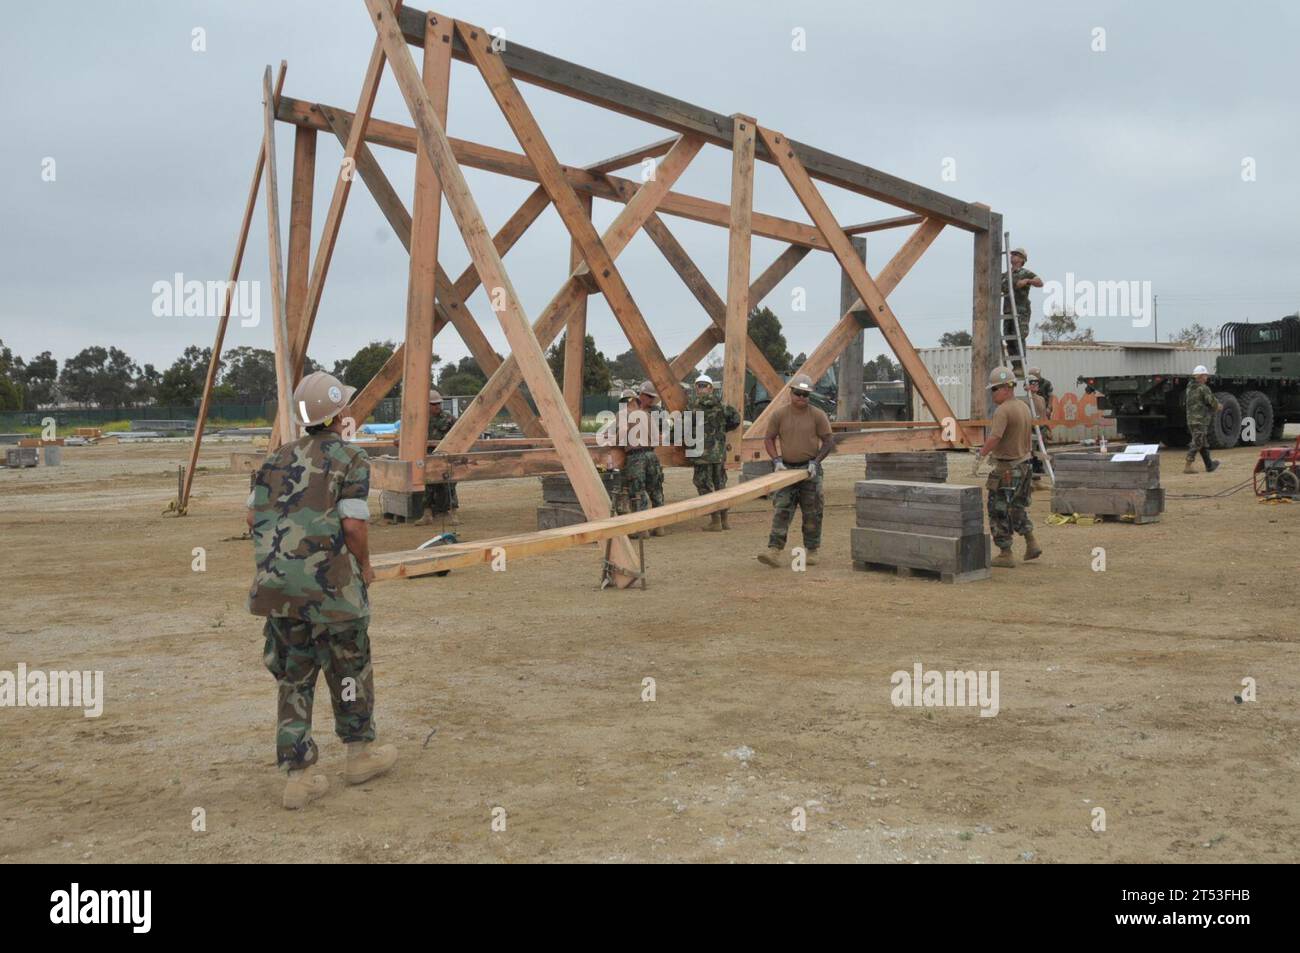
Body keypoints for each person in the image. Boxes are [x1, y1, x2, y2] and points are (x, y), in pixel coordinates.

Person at [247, 371, 397, 810]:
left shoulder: (274, 459)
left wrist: (278, 566)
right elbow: (353, 524)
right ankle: (358, 755)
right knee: (349, 669)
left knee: (294, 677)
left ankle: (299, 776)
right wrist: (365, 567)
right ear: (339, 412)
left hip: (279, 591)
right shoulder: (351, 460)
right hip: (332, 590)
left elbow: (253, 519)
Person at [758, 374, 834, 567]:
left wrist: (815, 462)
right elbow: (769, 439)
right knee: (782, 510)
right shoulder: (779, 415)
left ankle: (812, 550)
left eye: (805, 395)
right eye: (798, 393)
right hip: (786, 470)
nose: (801, 398)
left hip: (810, 471)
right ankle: (774, 551)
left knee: (813, 512)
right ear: (791, 393)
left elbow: (828, 440)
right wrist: (776, 460)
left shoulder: (817, 415)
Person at [975, 366, 1041, 567]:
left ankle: (1005, 552)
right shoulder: (1023, 407)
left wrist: (981, 454)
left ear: (1005, 388)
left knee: (998, 509)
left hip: (1007, 469)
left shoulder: (1003, 411)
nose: (992, 394)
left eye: (994, 389)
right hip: (1024, 466)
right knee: (1018, 508)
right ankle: (1031, 543)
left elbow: (995, 437)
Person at [687, 376, 742, 531]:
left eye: (703, 385)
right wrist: (722, 430)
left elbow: (683, 428)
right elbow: (736, 420)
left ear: (710, 388)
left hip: (701, 455)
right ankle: (725, 520)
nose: (701, 388)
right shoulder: (722, 406)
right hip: (718, 454)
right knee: (720, 485)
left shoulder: (692, 407)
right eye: (699, 385)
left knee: (704, 486)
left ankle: (715, 520)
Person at [624, 381, 666, 537]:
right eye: (649, 398)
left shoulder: (625, 415)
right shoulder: (648, 416)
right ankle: (659, 526)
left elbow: (616, 437)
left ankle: (642, 529)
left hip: (636, 457)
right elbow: (657, 438)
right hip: (651, 456)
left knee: (638, 491)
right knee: (656, 490)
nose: (651, 401)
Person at [417, 389, 459, 526]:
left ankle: (453, 514)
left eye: (439, 404)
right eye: (434, 404)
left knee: (450, 486)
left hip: (445, 457)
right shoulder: (421, 419)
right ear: (427, 405)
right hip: (429, 457)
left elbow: (460, 433)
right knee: (429, 486)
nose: (437, 407)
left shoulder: (448, 418)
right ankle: (427, 515)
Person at [1000, 247, 1043, 356]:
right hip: (1008, 310)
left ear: (1021, 259)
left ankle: (1021, 365)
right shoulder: (1005, 275)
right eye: (1012, 254)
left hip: (1020, 311)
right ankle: (1016, 366)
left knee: (1018, 337)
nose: (1012, 256)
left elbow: (1039, 282)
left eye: (1016, 255)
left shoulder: (1025, 273)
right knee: (1008, 337)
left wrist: (1027, 281)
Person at [1184, 365, 1222, 474]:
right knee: (1197, 442)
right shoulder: (1203, 388)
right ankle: (1188, 465)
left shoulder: (1189, 387)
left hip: (1191, 419)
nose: (1207, 378)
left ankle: (1209, 465)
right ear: (1200, 376)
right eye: (1205, 376)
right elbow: (1212, 401)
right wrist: (1218, 406)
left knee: (1203, 442)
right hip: (1200, 420)